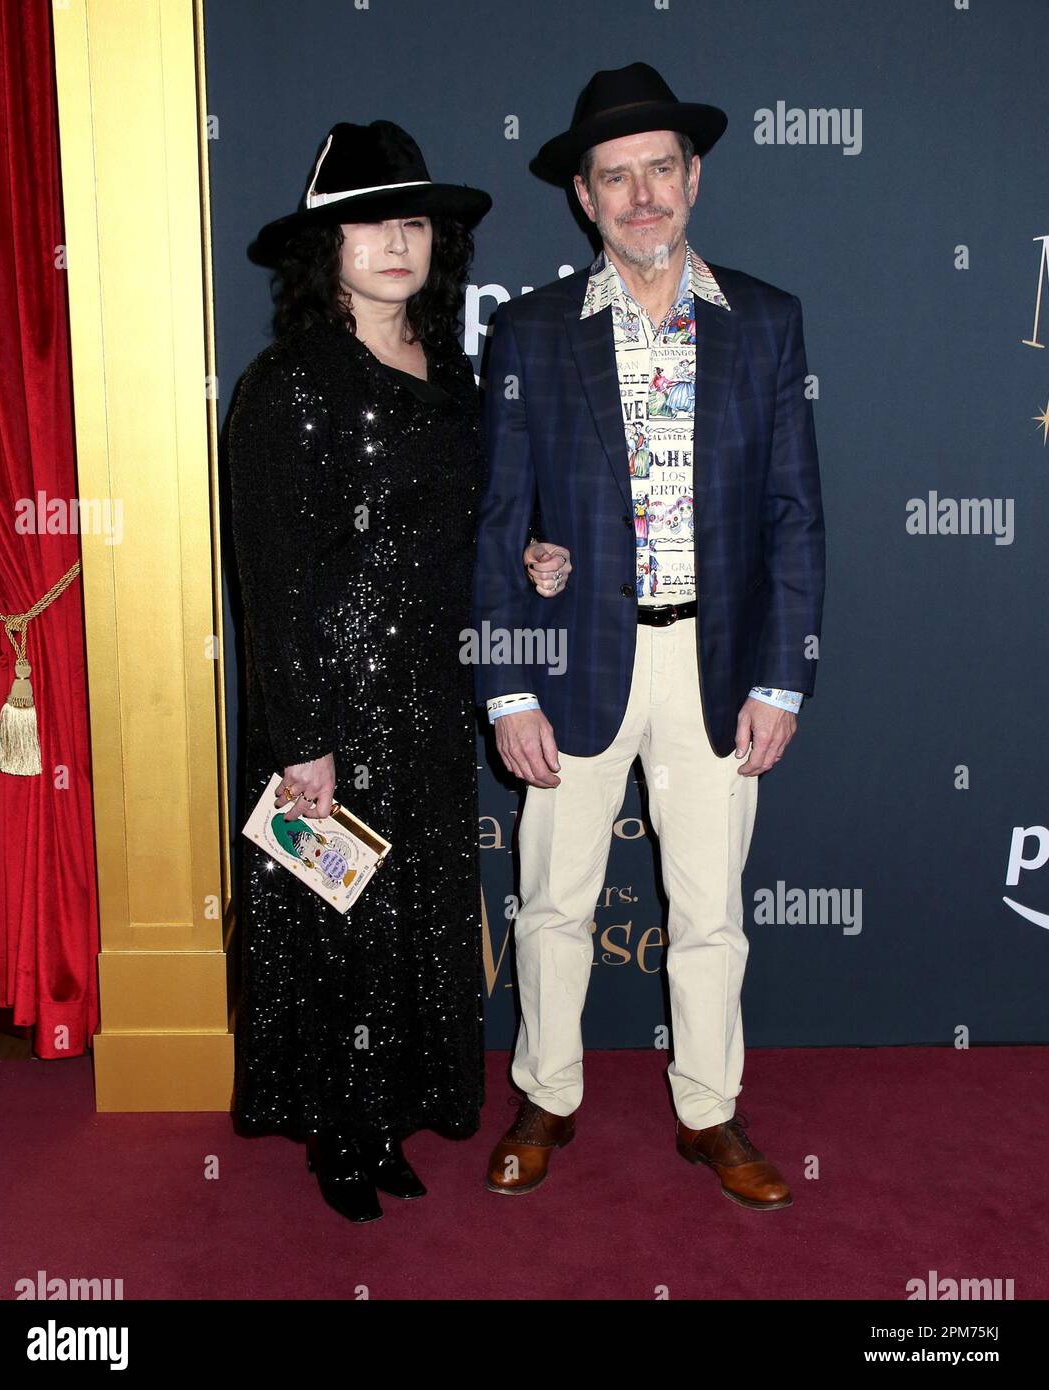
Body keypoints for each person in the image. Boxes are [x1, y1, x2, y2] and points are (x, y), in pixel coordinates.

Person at [471, 64, 826, 1209]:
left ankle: (708, 1111)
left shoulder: (765, 321)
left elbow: (792, 515)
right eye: (614, 177)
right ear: (582, 197)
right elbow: (497, 521)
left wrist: (782, 677)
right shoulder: (529, 332)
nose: (640, 196)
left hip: (716, 663)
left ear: (693, 177)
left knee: (711, 907)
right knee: (555, 896)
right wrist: (506, 690)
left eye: (658, 170)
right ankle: (546, 1095)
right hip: (572, 654)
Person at [229, 119, 573, 1223]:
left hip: (426, 690)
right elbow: (271, 572)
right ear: (323, 247)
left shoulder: (453, 371)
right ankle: (339, 1130)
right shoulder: (286, 382)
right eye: (368, 223)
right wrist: (300, 735)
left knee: (411, 910)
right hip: (327, 695)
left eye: (412, 223)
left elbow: (462, 526)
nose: (394, 241)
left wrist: (522, 554)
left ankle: (385, 1114)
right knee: (333, 912)